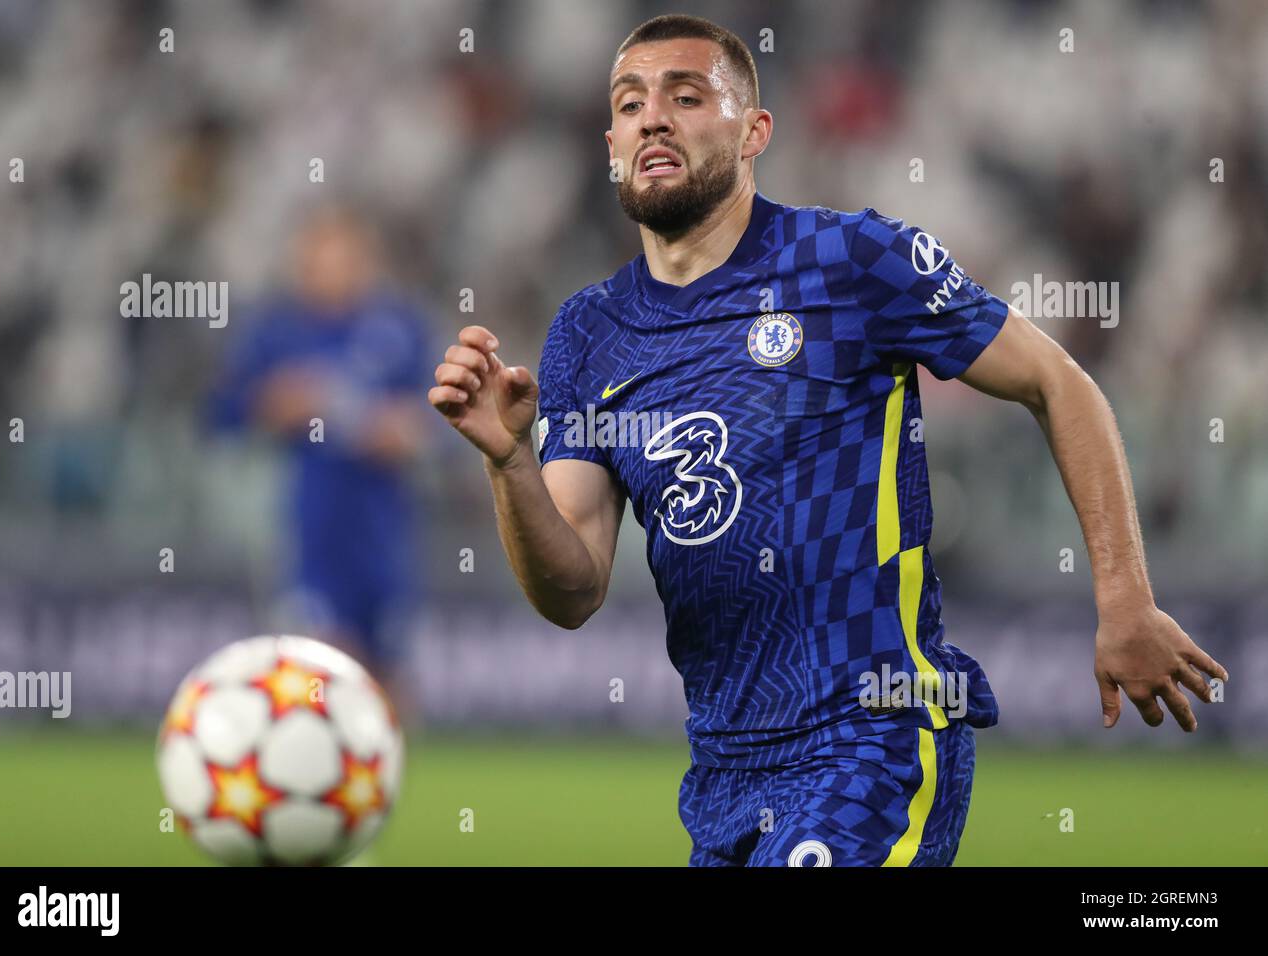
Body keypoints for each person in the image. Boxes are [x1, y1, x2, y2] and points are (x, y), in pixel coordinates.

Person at [427, 15, 1227, 866]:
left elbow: (1059, 383)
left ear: (754, 132)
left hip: (869, 737)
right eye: (629, 104)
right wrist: (510, 463)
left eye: (686, 96)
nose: (651, 117)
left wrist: (1125, 597)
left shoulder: (852, 262)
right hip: (726, 769)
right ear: (612, 142)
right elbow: (572, 591)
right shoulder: (588, 333)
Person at [210, 203, 432, 725]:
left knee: (390, 669)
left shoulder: (399, 328)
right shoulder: (276, 333)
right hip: (309, 525)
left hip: (384, 526)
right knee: (321, 663)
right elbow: (226, 412)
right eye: (320, 257)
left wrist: (399, 430)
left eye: (345, 256)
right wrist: (275, 402)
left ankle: (386, 779)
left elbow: (434, 419)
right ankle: (323, 778)